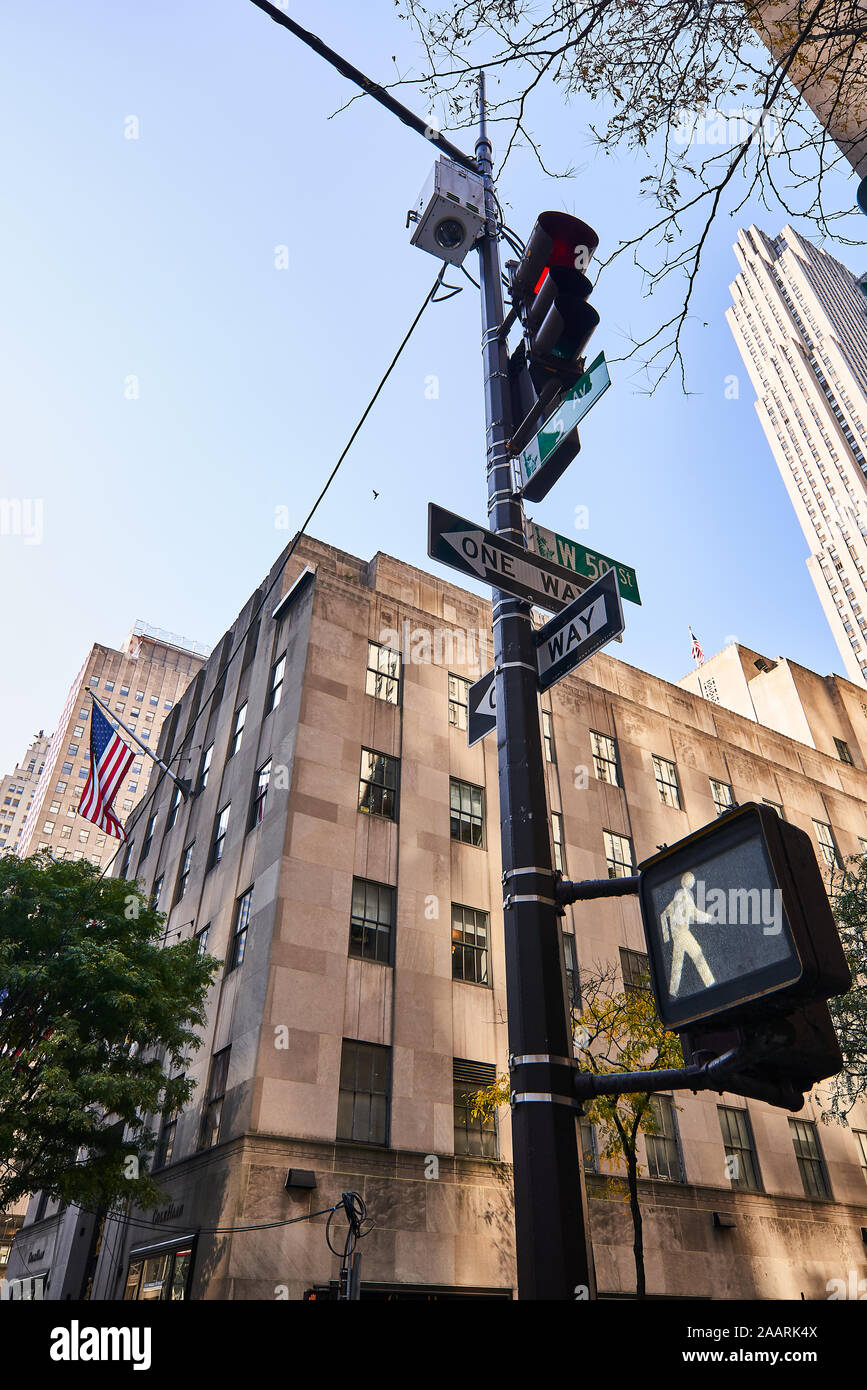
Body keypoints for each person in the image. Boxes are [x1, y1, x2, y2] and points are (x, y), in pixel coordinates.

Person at [659, 870, 717, 996]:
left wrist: (667, 935)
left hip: (678, 934)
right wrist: (709, 918)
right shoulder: (684, 896)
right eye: (692, 880)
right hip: (682, 933)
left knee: (677, 962)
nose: (693, 883)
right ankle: (711, 983)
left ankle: (673, 992)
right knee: (698, 955)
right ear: (688, 881)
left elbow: (664, 914)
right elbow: (694, 913)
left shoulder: (678, 896)